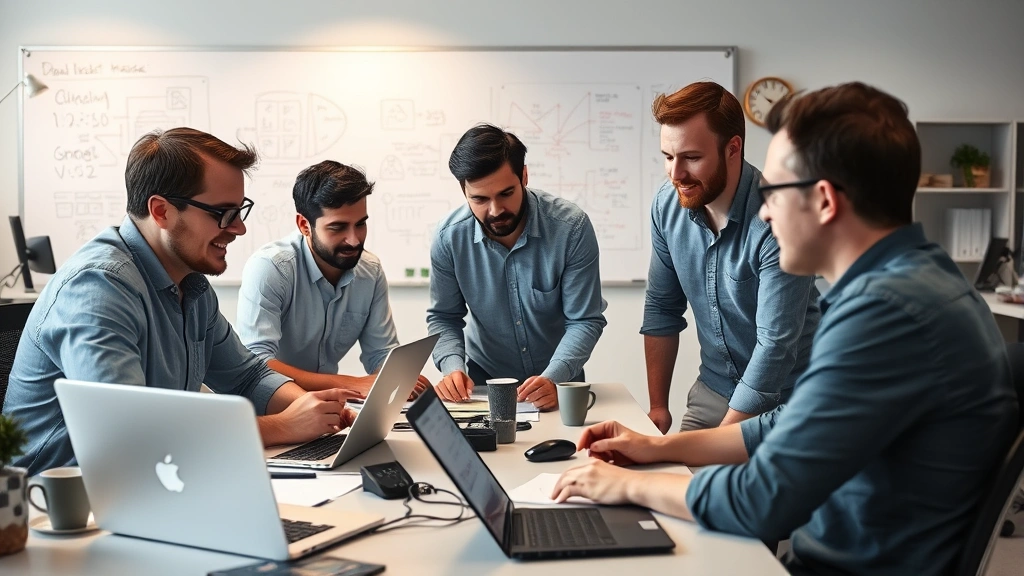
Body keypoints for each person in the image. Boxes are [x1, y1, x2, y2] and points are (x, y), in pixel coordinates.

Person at [551, 82, 1019, 575]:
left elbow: (762, 497)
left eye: (773, 191)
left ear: (823, 201)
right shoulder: (912, 281)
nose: (765, 210)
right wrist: (656, 447)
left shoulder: (887, 315)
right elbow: (783, 425)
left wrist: (622, 483)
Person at [4, 128, 356, 477]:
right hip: (56, 507)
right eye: (223, 213)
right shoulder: (98, 288)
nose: (238, 229)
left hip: (155, 481)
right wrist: (283, 426)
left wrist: (314, 410)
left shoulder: (191, 285)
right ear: (161, 212)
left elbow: (247, 376)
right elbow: (129, 434)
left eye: (239, 211)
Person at [643, 81, 820, 432]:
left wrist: (721, 440)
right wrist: (658, 407)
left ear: (732, 148)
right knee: (677, 479)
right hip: (714, 389)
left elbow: (775, 347)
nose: (676, 174)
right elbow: (662, 307)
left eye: (691, 158)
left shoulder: (776, 220)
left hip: (790, 399)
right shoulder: (667, 205)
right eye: (667, 157)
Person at [426, 123, 607, 411]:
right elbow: (444, 317)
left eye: (506, 193)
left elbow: (585, 320)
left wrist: (554, 377)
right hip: (483, 380)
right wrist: (452, 367)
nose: (495, 210)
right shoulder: (449, 238)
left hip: (558, 378)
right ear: (463, 191)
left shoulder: (570, 228)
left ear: (524, 176)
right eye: (480, 199)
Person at [237, 160, 429, 399]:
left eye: (360, 224)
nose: (354, 240)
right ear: (304, 225)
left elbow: (380, 354)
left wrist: (400, 378)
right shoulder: (271, 268)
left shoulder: (370, 271)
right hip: (268, 405)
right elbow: (258, 363)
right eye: (338, 227)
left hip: (328, 409)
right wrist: (351, 383)